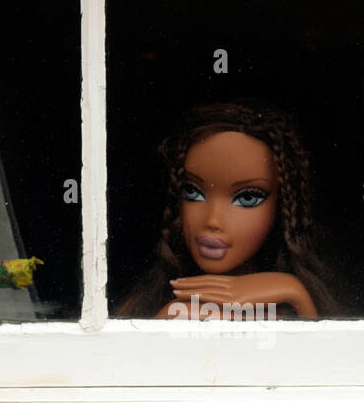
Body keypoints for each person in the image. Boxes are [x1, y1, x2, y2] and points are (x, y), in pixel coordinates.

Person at [116, 99, 339, 319]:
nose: (213, 220)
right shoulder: (164, 309)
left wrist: (295, 292)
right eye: (192, 192)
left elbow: (314, 353)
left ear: (281, 208)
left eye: (248, 198)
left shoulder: (291, 303)